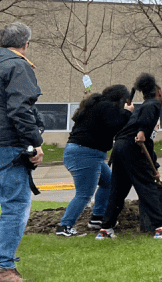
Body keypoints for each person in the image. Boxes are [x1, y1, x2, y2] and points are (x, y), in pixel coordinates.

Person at [0, 23, 45, 282]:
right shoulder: (18, 65)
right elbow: (20, 110)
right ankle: (2, 268)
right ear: (26, 45)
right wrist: (35, 143)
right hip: (7, 147)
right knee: (14, 206)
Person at [98, 73, 162, 240]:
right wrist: (142, 132)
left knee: (118, 189)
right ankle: (160, 227)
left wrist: (154, 166)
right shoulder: (153, 105)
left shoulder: (141, 107)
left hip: (119, 147)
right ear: (159, 92)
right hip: (132, 147)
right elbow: (142, 138)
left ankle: (106, 229)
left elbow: (147, 145)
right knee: (146, 186)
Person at [56, 84, 132, 237]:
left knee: (108, 182)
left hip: (85, 153)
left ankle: (97, 217)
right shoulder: (107, 107)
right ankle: (65, 226)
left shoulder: (96, 105)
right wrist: (127, 113)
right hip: (86, 154)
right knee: (84, 194)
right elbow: (115, 125)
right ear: (120, 99)